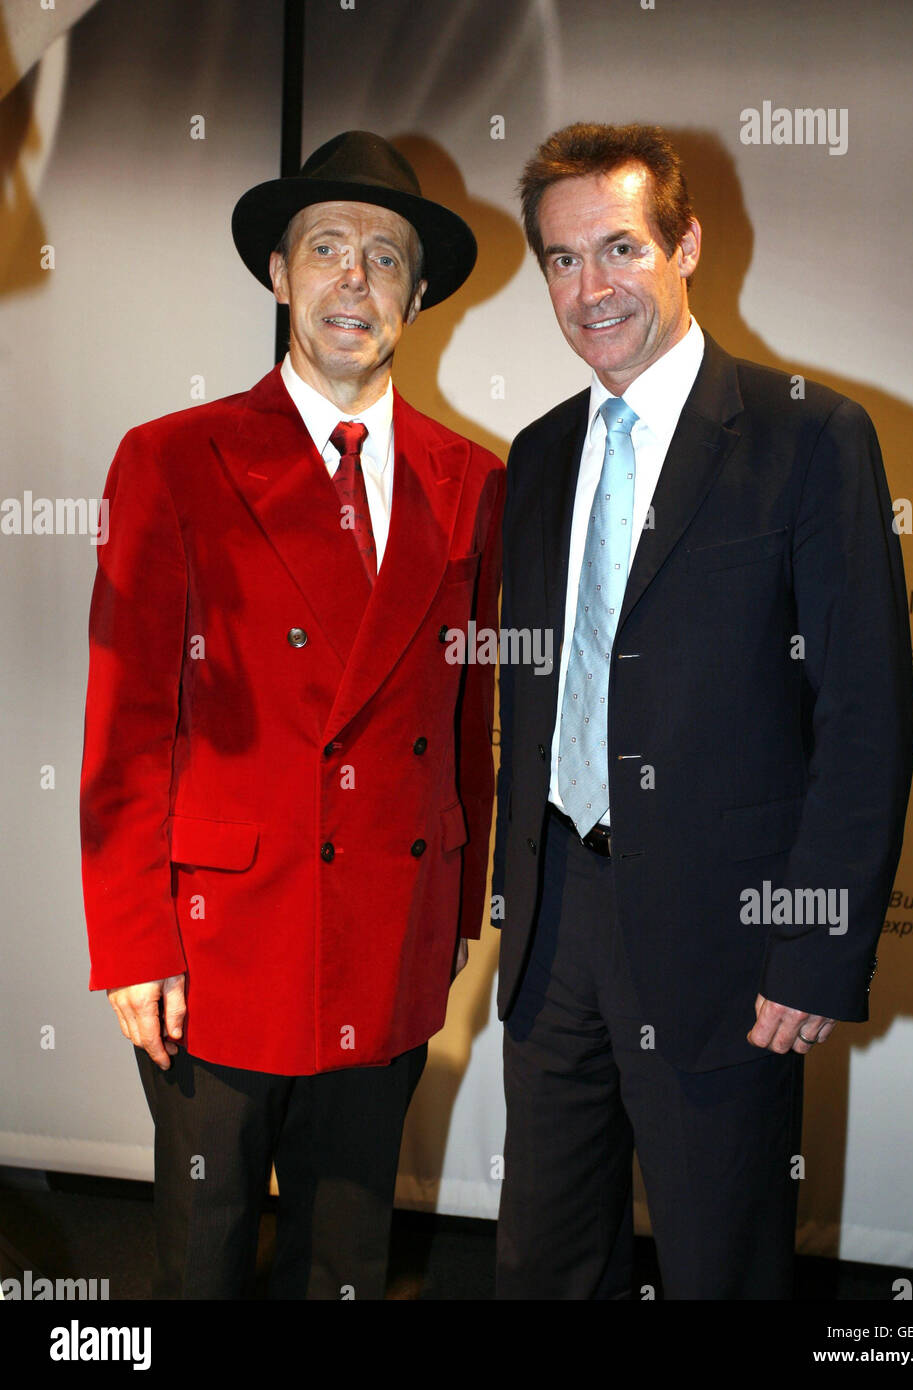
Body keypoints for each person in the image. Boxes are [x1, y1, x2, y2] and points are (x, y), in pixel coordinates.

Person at [491, 122, 913, 1299]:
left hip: (732, 944)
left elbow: (864, 716)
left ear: (684, 242)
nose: (591, 287)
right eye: (562, 260)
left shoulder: (807, 435)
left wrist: (815, 947)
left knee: (720, 1263)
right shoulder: (533, 458)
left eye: (619, 246)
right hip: (555, 926)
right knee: (541, 1258)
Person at [80, 130, 504, 1299]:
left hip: (389, 927)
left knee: (348, 1256)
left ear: (417, 295)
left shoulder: (472, 482)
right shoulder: (174, 459)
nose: (352, 280)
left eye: (383, 256)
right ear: (279, 275)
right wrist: (132, 943)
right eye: (326, 249)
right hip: (216, 944)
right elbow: (120, 728)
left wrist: (452, 910)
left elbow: (465, 720)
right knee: (203, 1252)